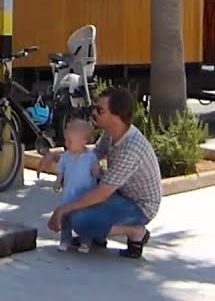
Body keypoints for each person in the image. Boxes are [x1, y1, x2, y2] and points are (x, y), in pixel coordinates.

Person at [43, 87, 161, 259]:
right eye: (94, 108)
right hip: (119, 194)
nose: (94, 113)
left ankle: (136, 232)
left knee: (80, 220)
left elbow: (102, 194)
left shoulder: (131, 147)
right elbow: (90, 156)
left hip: (139, 206)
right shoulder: (112, 134)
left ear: (116, 116)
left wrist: (61, 210)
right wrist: (57, 157)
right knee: (77, 199)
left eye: (100, 110)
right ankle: (97, 235)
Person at [52, 119, 101, 252]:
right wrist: (58, 181)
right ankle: (65, 240)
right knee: (66, 219)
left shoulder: (91, 157)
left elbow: (96, 173)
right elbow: (61, 170)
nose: (66, 144)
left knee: (84, 220)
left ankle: (85, 241)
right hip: (68, 195)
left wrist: (97, 171)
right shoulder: (66, 156)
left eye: (70, 141)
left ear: (84, 140)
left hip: (84, 196)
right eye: (66, 140)